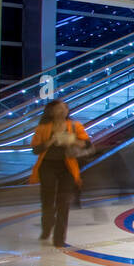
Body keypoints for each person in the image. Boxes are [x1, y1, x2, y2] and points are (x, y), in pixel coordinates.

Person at [30, 100, 90, 249]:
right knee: (48, 199)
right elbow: (35, 149)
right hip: (47, 166)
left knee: (64, 202)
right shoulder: (43, 128)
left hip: (67, 167)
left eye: (65, 108)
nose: (62, 110)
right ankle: (47, 225)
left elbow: (87, 144)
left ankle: (59, 238)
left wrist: (73, 141)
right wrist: (51, 140)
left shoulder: (75, 126)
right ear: (51, 111)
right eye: (58, 108)